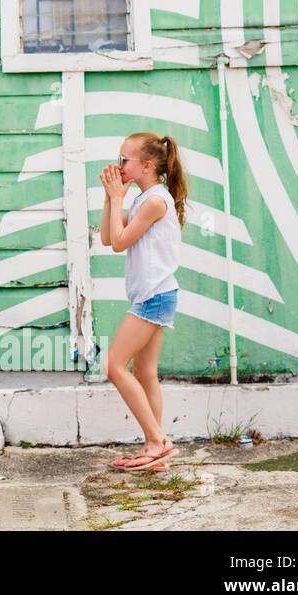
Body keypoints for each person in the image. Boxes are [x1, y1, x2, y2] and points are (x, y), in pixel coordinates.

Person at [99, 131, 188, 474]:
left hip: (154, 297)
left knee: (114, 366)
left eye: (125, 160)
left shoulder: (154, 200)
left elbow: (120, 244)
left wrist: (117, 197)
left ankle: (157, 441)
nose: (119, 165)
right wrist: (112, 198)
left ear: (147, 165)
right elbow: (109, 237)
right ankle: (156, 448)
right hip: (155, 295)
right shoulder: (141, 199)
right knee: (145, 373)